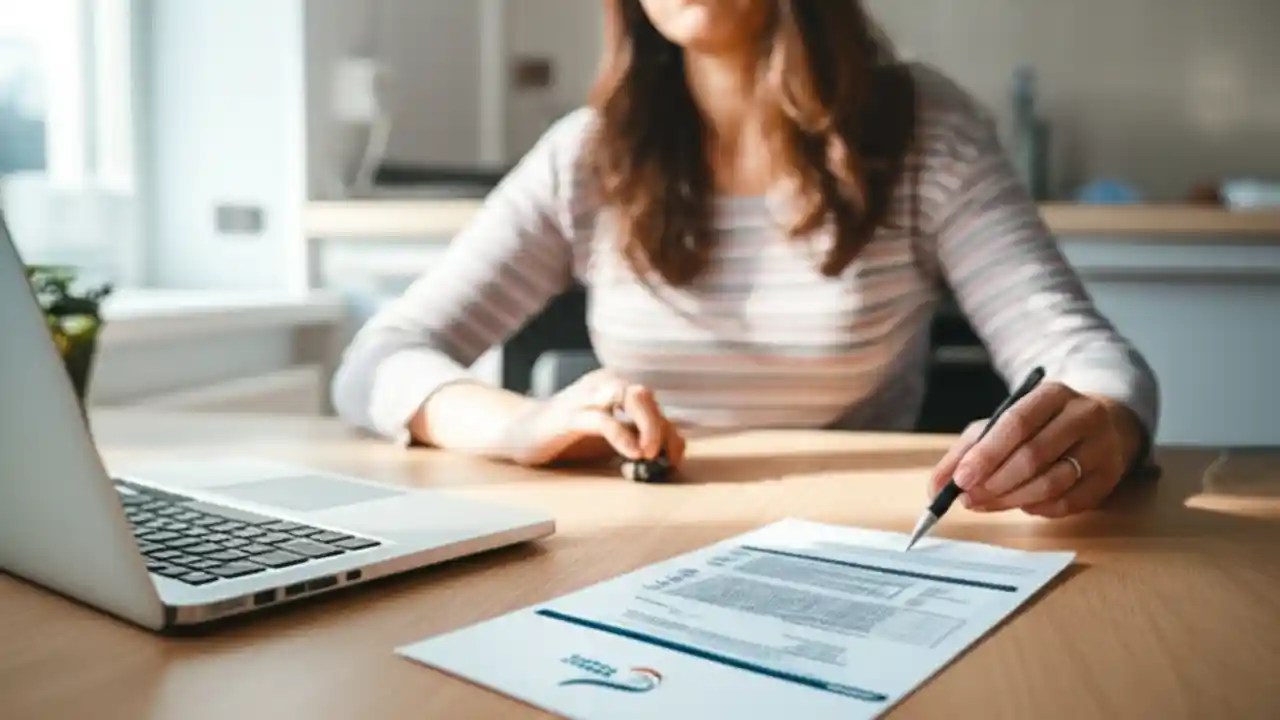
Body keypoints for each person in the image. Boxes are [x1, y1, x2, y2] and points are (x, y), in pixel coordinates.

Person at [333, 0, 1158, 519]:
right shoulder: (587, 156)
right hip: (639, 545)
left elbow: (1089, 358)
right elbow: (376, 359)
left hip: (862, 546)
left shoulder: (922, 130)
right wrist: (517, 426)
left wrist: (1103, 428)